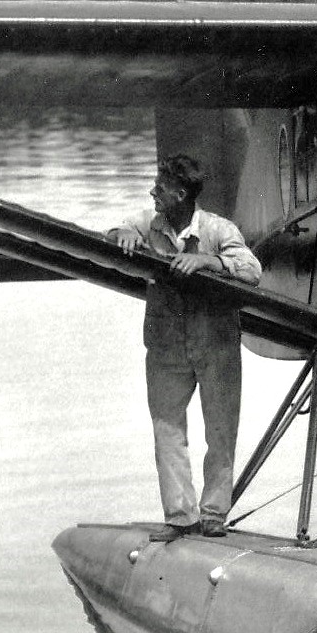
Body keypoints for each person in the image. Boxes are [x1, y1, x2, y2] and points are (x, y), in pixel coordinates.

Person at [107, 154, 263, 542]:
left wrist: (208, 261)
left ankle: (213, 515)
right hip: (166, 347)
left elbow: (252, 270)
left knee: (221, 431)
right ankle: (180, 517)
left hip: (216, 345)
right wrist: (119, 236)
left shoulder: (217, 228)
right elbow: (117, 229)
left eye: (158, 188)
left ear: (180, 194)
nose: (151, 192)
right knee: (167, 430)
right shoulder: (149, 223)